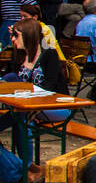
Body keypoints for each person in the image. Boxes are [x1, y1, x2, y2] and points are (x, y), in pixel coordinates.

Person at [2, 18, 71, 174]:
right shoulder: (18, 57)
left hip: (56, 106)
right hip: (28, 108)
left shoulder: (49, 55)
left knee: (22, 116)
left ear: (28, 35)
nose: (13, 39)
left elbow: (51, 86)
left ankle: (26, 168)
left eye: (16, 35)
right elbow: (10, 83)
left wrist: (31, 100)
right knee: (21, 117)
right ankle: (28, 167)